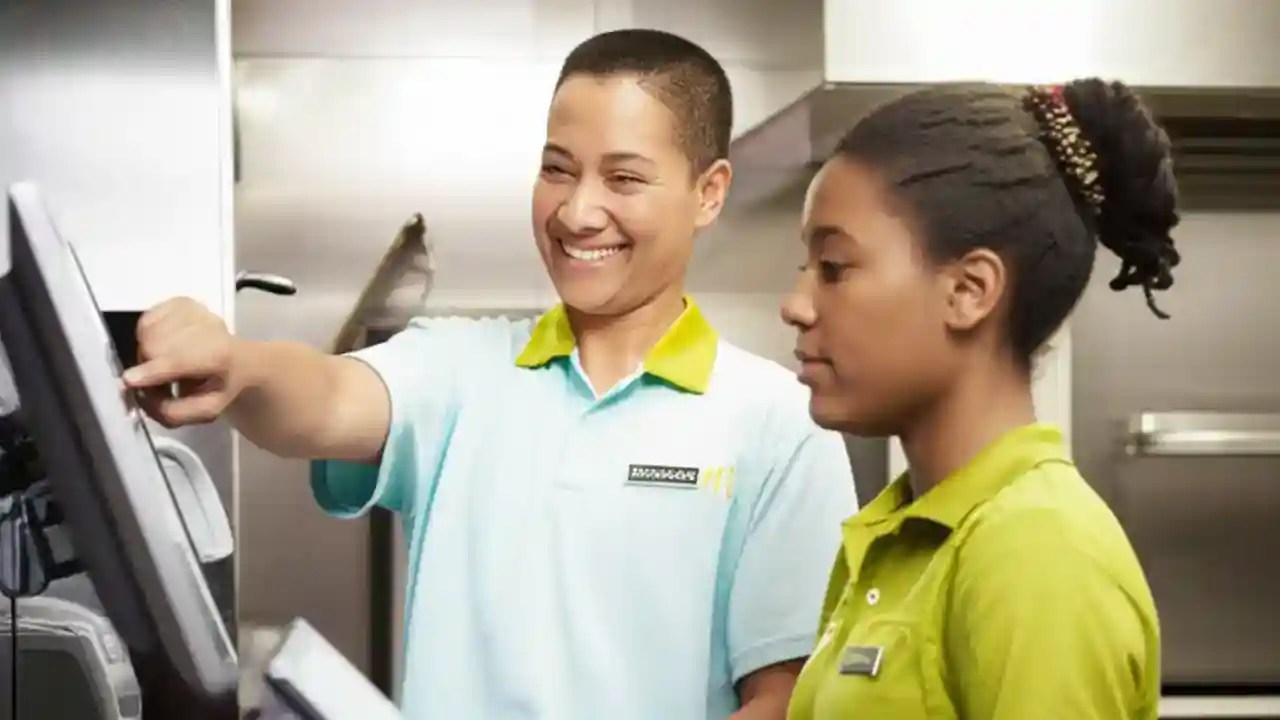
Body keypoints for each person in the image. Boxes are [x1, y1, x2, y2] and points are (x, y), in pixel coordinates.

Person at [124, 29, 857, 720]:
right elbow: (326, 397)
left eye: (624, 178)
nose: (578, 211)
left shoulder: (779, 424)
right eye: (557, 169)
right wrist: (241, 363)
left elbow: (783, 699)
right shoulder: (459, 369)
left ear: (709, 192)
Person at [781, 79, 1178, 719]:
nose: (796, 305)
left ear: (968, 291)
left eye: (833, 268)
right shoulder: (901, 536)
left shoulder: (1036, 551)